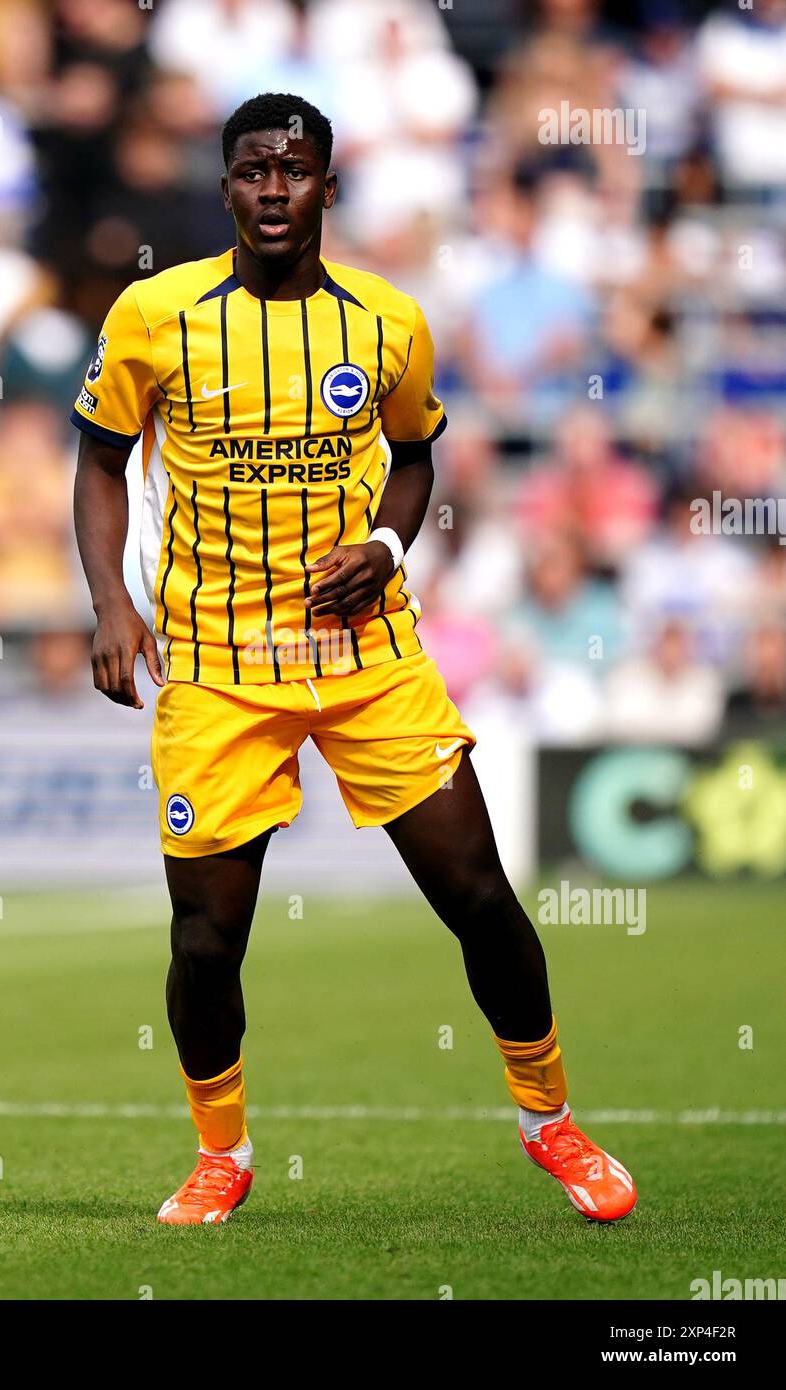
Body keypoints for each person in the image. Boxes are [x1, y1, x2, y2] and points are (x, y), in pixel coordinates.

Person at [71, 93, 636, 1227]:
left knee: (477, 894)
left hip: (367, 655)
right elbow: (98, 462)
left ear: (328, 187)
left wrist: (382, 543)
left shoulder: (386, 320)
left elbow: (419, 456)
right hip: (219, 665)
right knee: (205, 937)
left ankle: (550, 1124)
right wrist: (108, 607)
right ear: (225, 184)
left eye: (293, 170)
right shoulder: (154, 313)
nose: (271, 189)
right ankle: (220, 1152)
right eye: (249, 170)